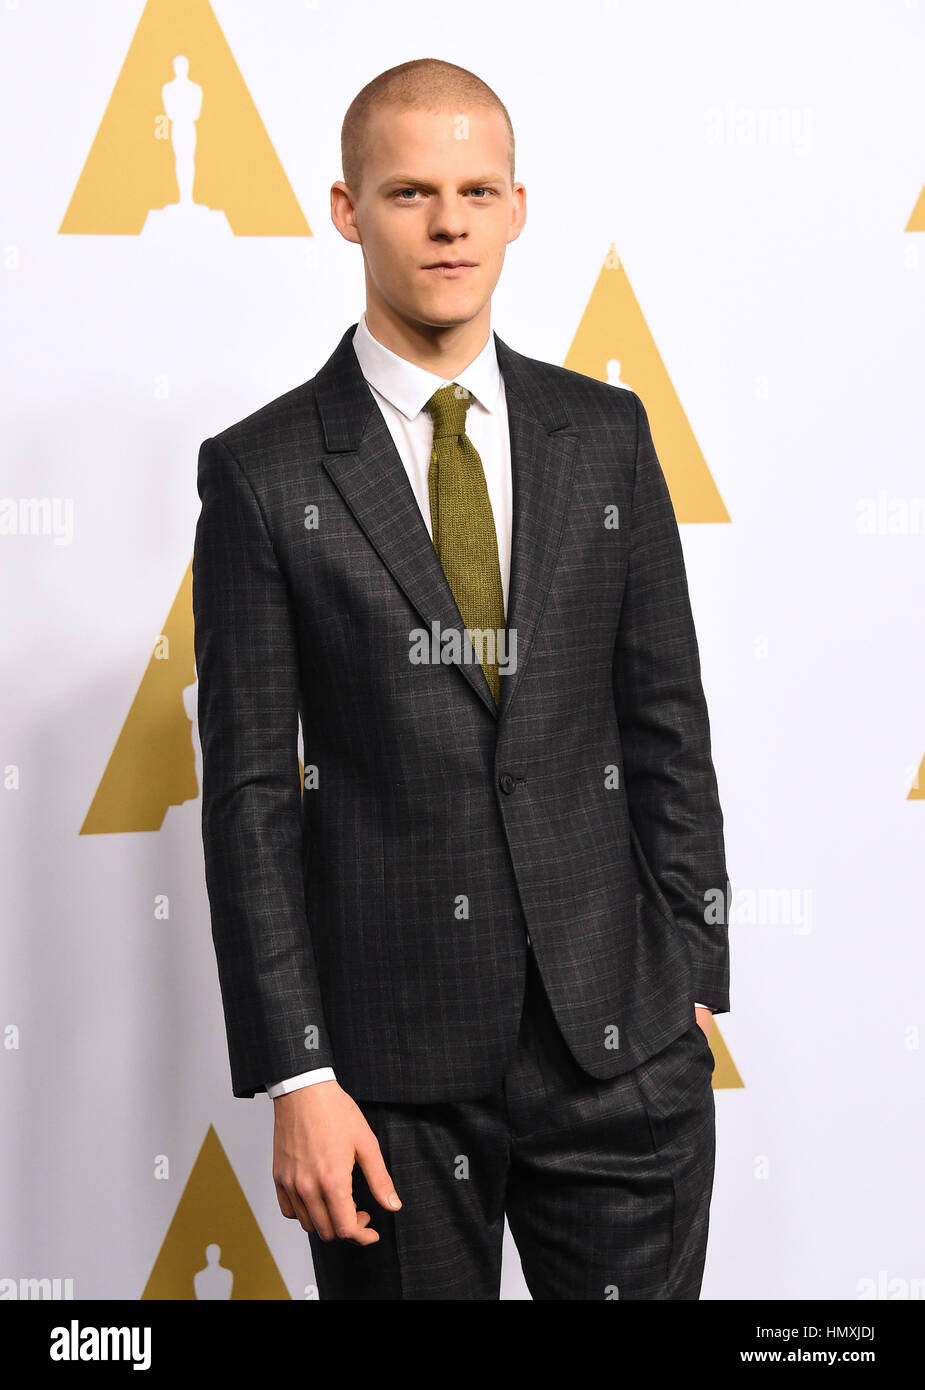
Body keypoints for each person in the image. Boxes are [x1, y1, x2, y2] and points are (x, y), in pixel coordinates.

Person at [192, 57, 731, 1301]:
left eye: (477, 191)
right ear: (346, 209)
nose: (448, 224)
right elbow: (253, 799)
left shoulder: (604, 434)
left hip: (624, 1050)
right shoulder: (264, 473)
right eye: (411, 193)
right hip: (383, 1083)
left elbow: (665, 723)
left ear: (517, 208)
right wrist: (300, 1077)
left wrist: (693, 978)